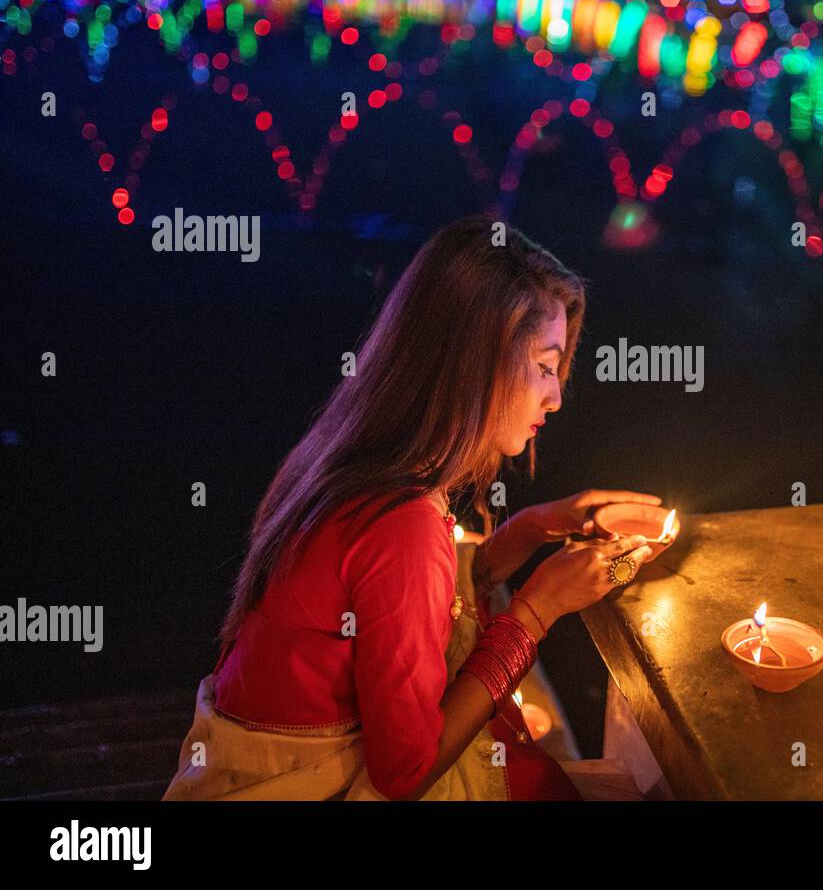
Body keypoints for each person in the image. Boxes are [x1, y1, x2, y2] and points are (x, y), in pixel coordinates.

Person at [162, 216, 659, 800]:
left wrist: (532, 528)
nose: (555, 397)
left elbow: (401, 600)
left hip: (241, 760)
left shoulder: (342, 453)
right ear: (476, 364)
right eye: (546, 367)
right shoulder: (403, 523)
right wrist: (537, 611)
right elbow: (403, 771)